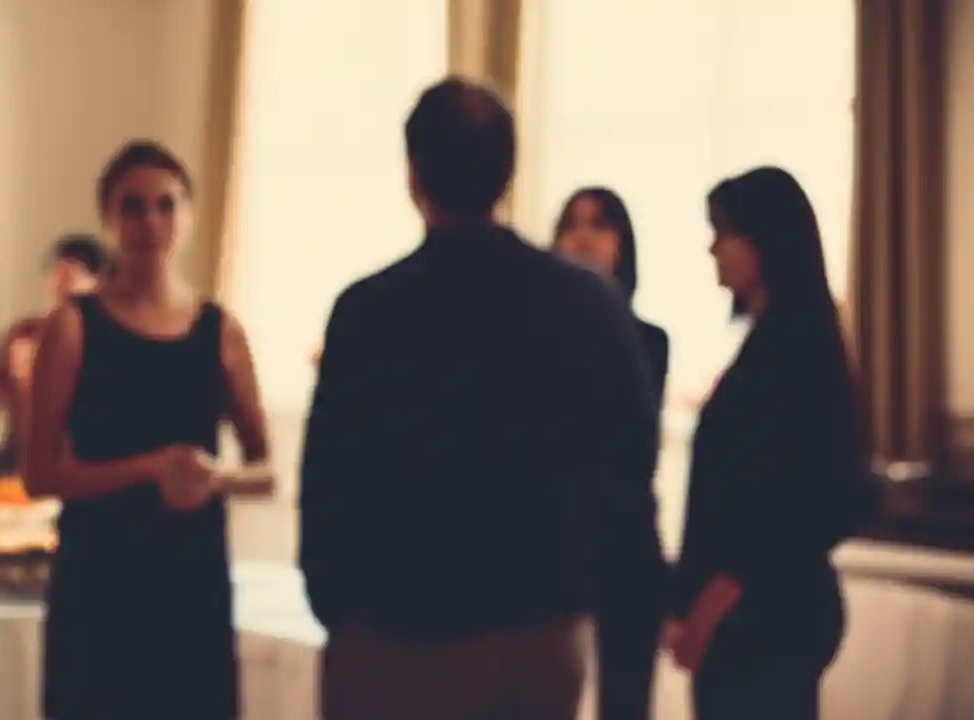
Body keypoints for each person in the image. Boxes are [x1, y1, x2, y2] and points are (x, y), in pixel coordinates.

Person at [299, 78, 666, 720]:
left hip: (395, 625)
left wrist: (338, 606)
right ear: (508, 173)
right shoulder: (587, 304)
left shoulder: (368, 310)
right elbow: (630, 466)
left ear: (413, 174)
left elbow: (330, 478)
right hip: (537, 628)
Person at [24, 141, 275, 719]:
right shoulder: (72, 327)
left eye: (166, 205)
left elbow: (266, 471)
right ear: (109, 218)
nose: (150, 222)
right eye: (133, 207)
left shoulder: (220, 330)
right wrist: (150, 467)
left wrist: (216, 478)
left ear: (187, 216)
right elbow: (38, 473)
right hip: (100, 582)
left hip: (191, 583)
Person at [666, 167, 874, 719]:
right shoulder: (782, 340)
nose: (714, 247)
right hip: (768, 609)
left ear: (766, 239)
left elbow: (787, 506)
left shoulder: (791, 350)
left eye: (725, 232)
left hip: (764, 613)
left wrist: (706, 610)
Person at [0, 233, 108, 470]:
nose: (61, 284)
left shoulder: (104, 337)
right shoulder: (24, 332)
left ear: (98, 284)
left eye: (72, 276)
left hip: (82, 457)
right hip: (21, 452)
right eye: (56, 274)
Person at [552, 187, 669, 402]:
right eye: (572, 225)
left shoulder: (649, 341)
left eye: (599, 225)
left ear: (622, 243)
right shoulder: (536, 330)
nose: (583, 237)